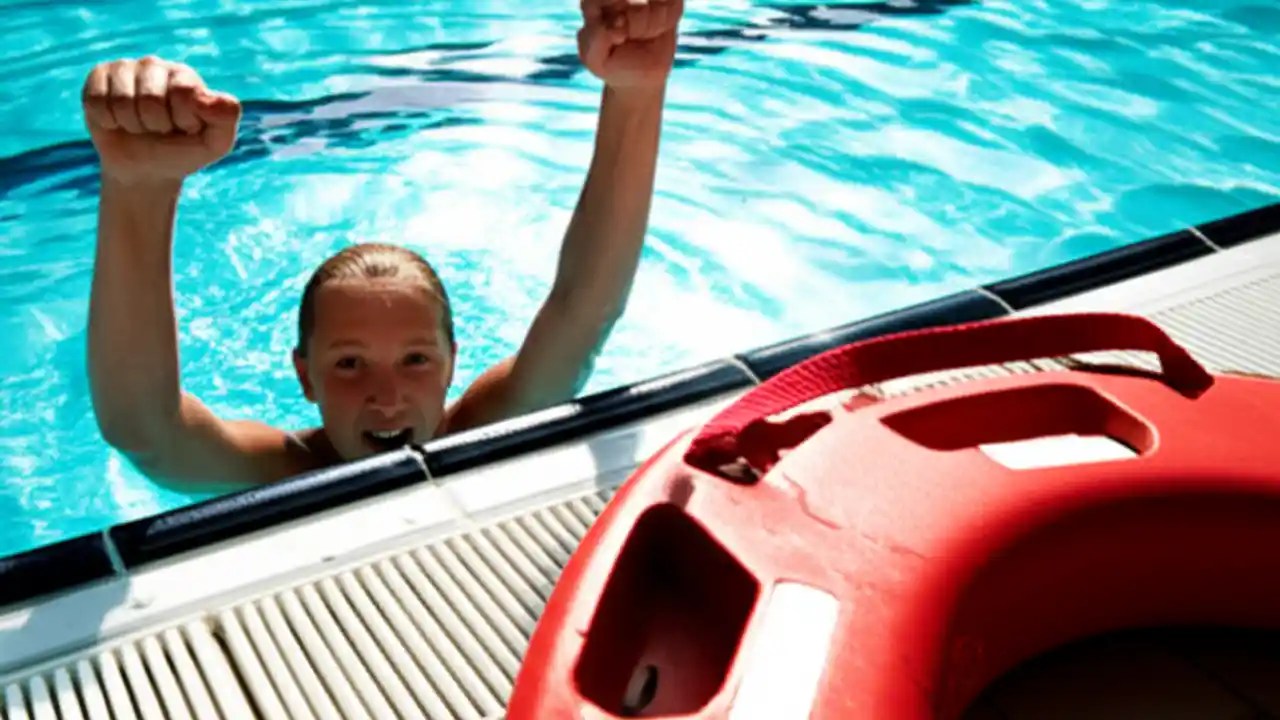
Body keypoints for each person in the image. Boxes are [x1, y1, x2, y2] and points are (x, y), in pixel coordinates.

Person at [82, 0, 684, 489]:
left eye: (417, 360)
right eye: (348, 364)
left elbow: (587, 307)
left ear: (452, 363)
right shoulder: (286, 471)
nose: (387, 397)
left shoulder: (483, 428)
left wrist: (636, 93)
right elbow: (145, 429)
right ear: (305, 376)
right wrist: (138, 191)